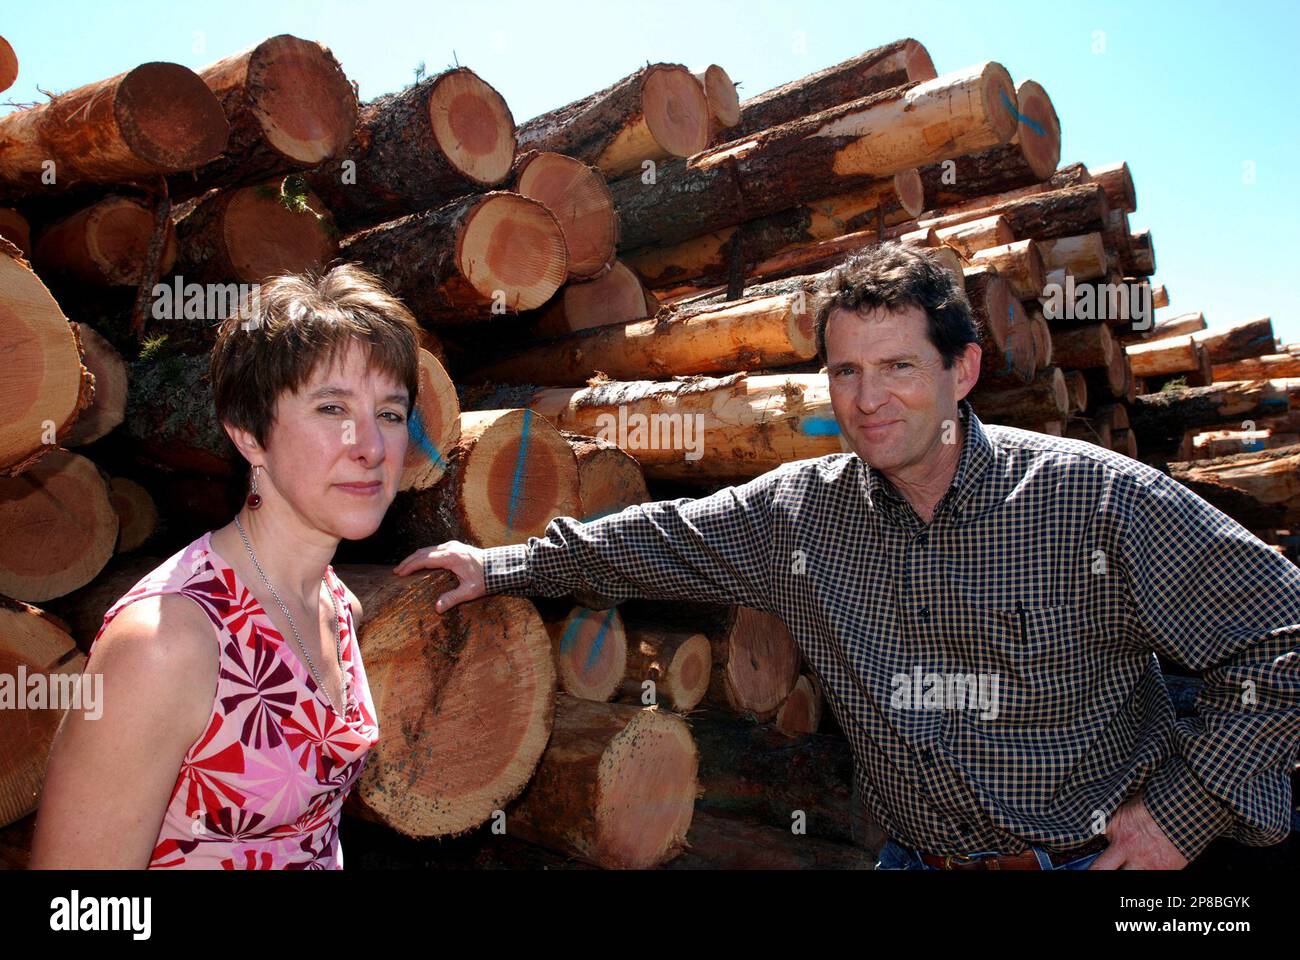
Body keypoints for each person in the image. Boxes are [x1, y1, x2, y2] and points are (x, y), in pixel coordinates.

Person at [395, 242, 1300, 871]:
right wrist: (499, 567)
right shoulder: (802, 516)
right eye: (846, 373)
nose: (869, 402)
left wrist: (1181, 818)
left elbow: (1281, 634)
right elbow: (650, 543)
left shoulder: (1091, 500)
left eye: (899, 368)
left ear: (965, 371)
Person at [31, 263, 421, 869]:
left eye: (391, 414)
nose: (370, 446)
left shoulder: (338, 607)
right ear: (248, 435)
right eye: (330, 408)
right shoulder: (166, 644)